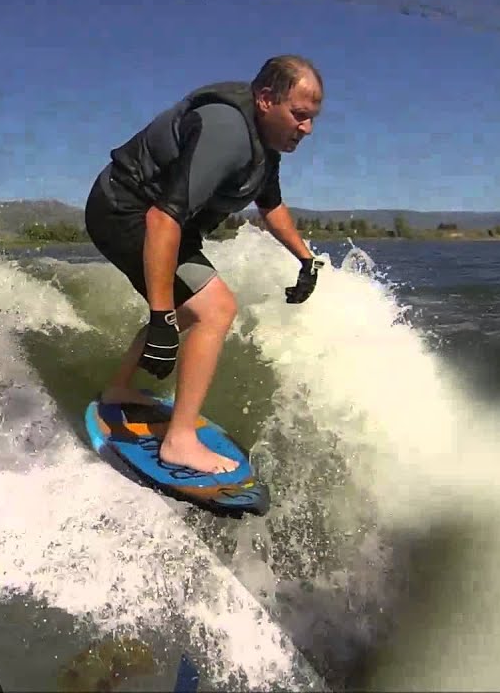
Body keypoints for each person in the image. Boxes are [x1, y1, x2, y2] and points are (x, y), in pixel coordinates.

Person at [84, 55, 326, 475]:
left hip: (154, 220)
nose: (307, 129)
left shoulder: (264, 147)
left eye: (312, 119)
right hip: (125, 211)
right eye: (300, 116)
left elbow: (270, 206)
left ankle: (120, 388)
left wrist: (306, 259)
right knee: (214, 308)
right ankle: (178, 442)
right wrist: (161, 317)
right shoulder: (227, 130)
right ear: (267, 99)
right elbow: (163, 217)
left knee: (191, 304)